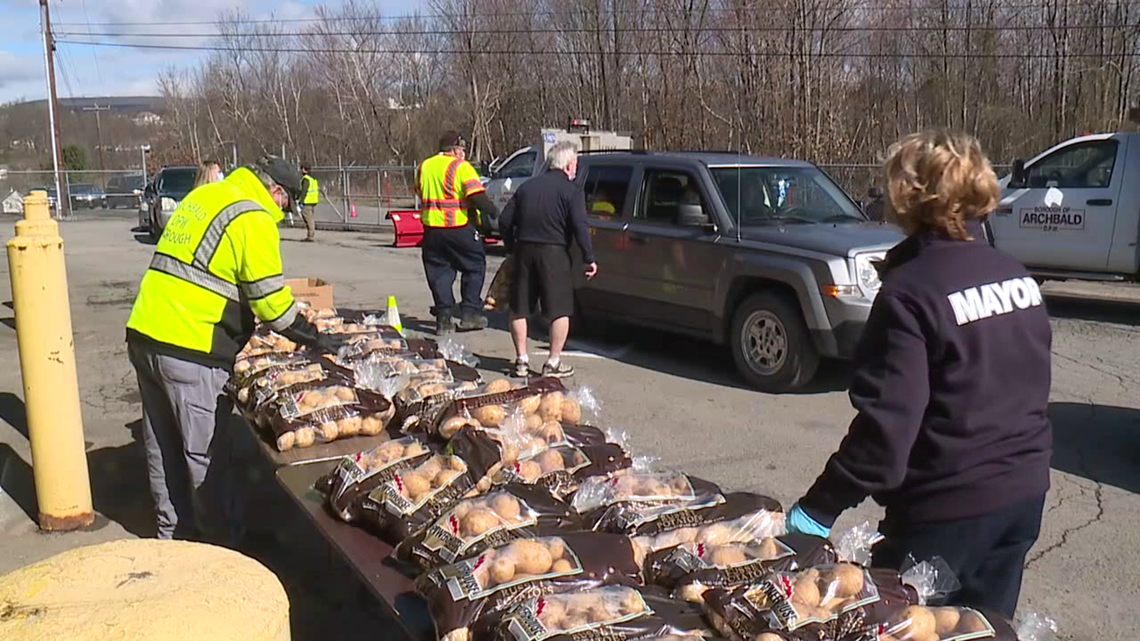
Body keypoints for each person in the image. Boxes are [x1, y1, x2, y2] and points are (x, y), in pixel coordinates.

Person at [784, 130, 1052, 618]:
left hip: (947, 512)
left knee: (900, 624)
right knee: (979, 626)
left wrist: (819, 508)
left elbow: (885, 437)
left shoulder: (911, 293)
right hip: (1023, 496)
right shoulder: (1016, 276)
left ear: (907, 194)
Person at [126, 155, 335, 542]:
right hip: (190, 347)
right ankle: (222, 550)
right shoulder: (252, 216)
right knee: (204, 456)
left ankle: (172, 537)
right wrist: (312, 335)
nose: (285, 211)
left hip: (145, 333)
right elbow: (270, 301)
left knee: (163, 446)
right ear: (275, 191)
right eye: (287, 202)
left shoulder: (207, 196)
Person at [498, 141, 598, 379]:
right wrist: (588, 257)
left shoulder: (527, 187)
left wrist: (512, 247)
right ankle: (552, 363)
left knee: (519, 307)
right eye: (575, 164)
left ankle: (521, 360)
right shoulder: (571, 191)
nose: (576, 168)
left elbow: (504, 221)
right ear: (568, 165)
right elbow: (580, 226)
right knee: (559, 310)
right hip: (554, 253)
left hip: (524, 250)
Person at [416, 130, 499, 335]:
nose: (463, 153)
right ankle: (469, 313)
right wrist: (493, 211)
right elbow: (476, 195)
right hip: (458, 227)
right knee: (475, 265)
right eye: (461, 149)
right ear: (454, 149)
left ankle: (444, 319)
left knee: (439, 273)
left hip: (432, 231)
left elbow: (418, 190)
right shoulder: (460, 167)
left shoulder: (424, 166)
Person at [300, 164, 319, 242]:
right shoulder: (313, 178)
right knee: (310, 218)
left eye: (302, 169)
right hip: (313, 200)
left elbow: (304, 191)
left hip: (307, 201)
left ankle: (310, 236)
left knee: (308, 219)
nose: (301, 170)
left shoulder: (306, 179)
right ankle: (310, 234)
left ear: (304, 170)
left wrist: (301, 201)